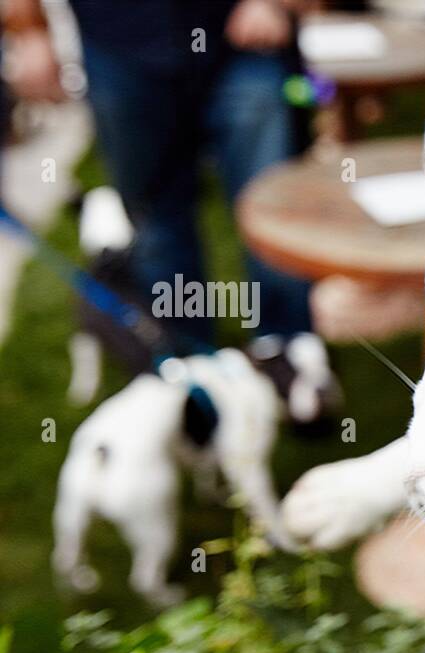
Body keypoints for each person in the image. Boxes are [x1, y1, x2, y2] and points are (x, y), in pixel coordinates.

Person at [3, 0, 328, 383]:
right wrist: (30, 32)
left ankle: (290, 358)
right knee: (156, 219)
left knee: (274, 209)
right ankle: (191, 367)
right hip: (120, 50)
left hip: (242, 41)